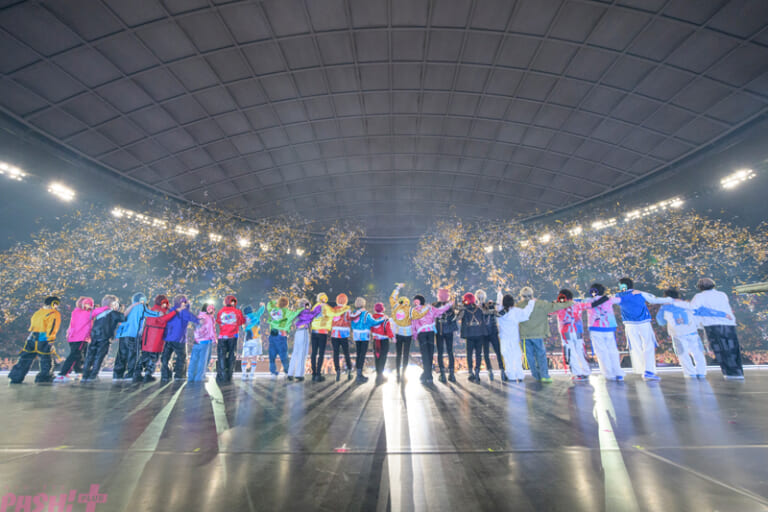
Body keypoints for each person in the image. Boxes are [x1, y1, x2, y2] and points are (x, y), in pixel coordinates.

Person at [614, 278, 673, 381]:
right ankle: (648, 371)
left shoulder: (618, 296)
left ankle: (641, 369)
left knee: (636, 348)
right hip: (644, 323)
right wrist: (671, 300)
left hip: (630, 325)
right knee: (648, 346)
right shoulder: (640, 293)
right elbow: (654, 300)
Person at [691, 277, 743, 379]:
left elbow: (693, 310)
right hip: (729, 324)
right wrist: (722, 314)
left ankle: (729, 373)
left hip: (713, 325)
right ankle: (738, 373)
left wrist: (718, 314)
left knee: (720, 348)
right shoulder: (722, 294)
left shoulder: (699, 297)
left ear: (700, 287)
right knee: (733, 348)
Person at [518, 287, 572, 383]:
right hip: (538, 334)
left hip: (525, 336)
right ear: (532, 294)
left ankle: (536, 375)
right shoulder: (540, 304)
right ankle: (545, 376)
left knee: (529, 356)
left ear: (521, 295)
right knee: (541, 355)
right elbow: (554, 307)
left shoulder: (518, 306)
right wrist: (570, 302)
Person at [9, 296, 62, 384]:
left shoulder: (38, 312)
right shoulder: (54, 313)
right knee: (46, 359)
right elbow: (52, 327)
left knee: (25, 358)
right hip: (44, 339)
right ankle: (44, 378)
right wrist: (51, 339)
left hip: (32, 338)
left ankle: (16, 377)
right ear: (54, 303)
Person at [656, 289, 707, 379]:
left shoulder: (664, 307)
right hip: (692, 332)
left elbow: (661, 322)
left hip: (677, 334)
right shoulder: (686, 304)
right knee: (698, 353)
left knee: (683, 354)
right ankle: (701, 372)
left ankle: (690, 373)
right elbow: (697, 313)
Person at [583, 283, 624, 381]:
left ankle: (609, 374)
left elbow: (581, 304)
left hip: (595, 328)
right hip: (609, 328)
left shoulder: (588, 301)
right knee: (613, 351)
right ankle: (618, 373)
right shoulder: (609, 299)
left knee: (602, 352)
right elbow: (620, 299)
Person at [411, 291, 454, 383]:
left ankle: (427, 374)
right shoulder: (429, 308)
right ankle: (428, 375)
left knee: (424, 353)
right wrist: (449, 305)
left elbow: (413, 323)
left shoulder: (414, 311)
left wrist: (414, 336)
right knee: (430, 353)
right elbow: (440, 311)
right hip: (430, 332)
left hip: (421, 334)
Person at [134, 294, 178, 383]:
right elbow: (163, 320)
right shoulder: (160, 310)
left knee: (144, 356)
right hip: (155, 336)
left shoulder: (153, 309)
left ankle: (137, 374)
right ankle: (148, 374)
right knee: (153, 357)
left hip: (148, 336)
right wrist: (174, 312)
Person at [495, 289, 536, 382]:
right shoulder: (516, 311)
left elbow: (498, 303)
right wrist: (531, 302)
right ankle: (520, 375)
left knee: (507, 358)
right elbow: (526, 312)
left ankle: (511, 376)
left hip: (504, 339)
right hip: (514, 339)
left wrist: (499, 293)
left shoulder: (500, 311)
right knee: (517, 357)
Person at [81, 295, 126, 382]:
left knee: (90, 356)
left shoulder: (98, 313)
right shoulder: (112, 313)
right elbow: (123, 318)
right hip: (104, 338)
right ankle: (93, 376)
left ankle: (85, 375)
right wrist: (121, 309)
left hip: (94, 337)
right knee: (99, 356)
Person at [553, 289, 591, 382]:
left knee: (570, 352)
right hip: (578, 330)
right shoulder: (577, 304)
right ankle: (586, 371)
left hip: (566, 331)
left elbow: (548, 311)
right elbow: (588, 305)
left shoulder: (559, 306)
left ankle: (577, 373)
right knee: (580, 350)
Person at [54, 296, 94, 382]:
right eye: (86, 304)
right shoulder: (87, 313)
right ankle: (62, 374)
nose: (88, 306)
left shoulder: (75, 312)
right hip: (81, 337)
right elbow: (97, 312)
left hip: (74, 337)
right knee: (74, 355)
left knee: (78, 355)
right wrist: (106, 307)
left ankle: (78, 372)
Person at [112, 293, 150, 381]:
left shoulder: (130, 307)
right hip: (133, 335)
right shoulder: (142, 308)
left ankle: (117, 375)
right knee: (133, 355)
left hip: (123, 335)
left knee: (121, 355)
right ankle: (130, 375)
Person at [160, 295, 198, 382]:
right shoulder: (184, 311)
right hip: (179, 338)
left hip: (168, 338)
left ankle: (165, 375)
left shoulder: (171, 310)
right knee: (181, 357)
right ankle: (179, 375)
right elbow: (194, 319)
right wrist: (200, 320)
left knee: (166, 357)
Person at [349, 297, 387, 383]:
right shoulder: (366, 314)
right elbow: (374, 322)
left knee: (358, 354)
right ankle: (359, 376)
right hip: (364, 335)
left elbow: (352, 325)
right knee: (362, 355)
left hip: (356, 335)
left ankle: (358, 374)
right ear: (363, 304)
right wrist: (382, 318)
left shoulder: (354, 313)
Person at [287, 299, 322, 382]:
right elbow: (311, 315)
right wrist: (319, 306)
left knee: (295, 353)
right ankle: (299, 374)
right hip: (303, 332)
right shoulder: (305, 311)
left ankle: (290, 373)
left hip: (298, 332)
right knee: (302, 353)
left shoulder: (298, 311)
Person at [476, 289, 505, 381]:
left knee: (486, 353)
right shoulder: (490, 306)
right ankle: (501, 370)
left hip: (483, 333)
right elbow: (498, 315)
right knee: (497, 351)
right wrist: (506, 309)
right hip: (492, 331)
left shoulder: (476, 308)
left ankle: (490, 370)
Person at [216, 295, 246, 383]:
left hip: (222, 336)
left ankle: (222, 375)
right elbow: (241, 322)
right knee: (231, 355)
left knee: (221, 355)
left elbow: (218, 321)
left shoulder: (221, 311)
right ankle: (229, 375)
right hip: (233, 336)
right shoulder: (237, 311)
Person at [458, 292, 486, 382]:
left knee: (469, 354)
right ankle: (477, 371)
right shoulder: (479, 308)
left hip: (469, 335)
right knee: (478, 354)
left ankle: (471, 372)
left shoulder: (464, 309)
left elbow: (458, 317)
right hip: (479, 334)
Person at [390, 284, 414, 382]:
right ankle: (404, 373)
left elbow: (392, 297)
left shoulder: (396, 306)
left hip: (398, 333)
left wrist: (397, 288)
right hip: (408, 334)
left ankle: (398, 373)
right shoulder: (410, 309)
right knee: (406, 354)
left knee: (398, 354)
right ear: (407, 302)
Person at [434, 288, 458, 383]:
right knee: (450, 351)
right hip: (449, 331)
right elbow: (454, 318)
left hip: (439, 331)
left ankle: (443, 374)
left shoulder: (435, 305)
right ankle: (451, 374)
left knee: (440, 352)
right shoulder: (451, 306)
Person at [189, 303, 216, 382]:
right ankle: (199, 377)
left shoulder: (199, 316)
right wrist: (214, 340)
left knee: (194, 360)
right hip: (206, 341)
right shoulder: (208, 318)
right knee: (203, 361)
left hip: (197, 341)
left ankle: (191, 377)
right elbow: (210, 330)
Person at [329, 293, 353, 382]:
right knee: (346, 352)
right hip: (344, 334)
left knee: (336, 353)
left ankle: (338, 371)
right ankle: (349, 371)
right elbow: (350, 320)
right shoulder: (347, 310)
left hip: (334, 333)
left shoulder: (333, 310)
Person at [310, 293, 333, 382]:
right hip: (322, 332)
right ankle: (318, 374)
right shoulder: (327, 307)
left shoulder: (315, 306)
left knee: (314, 352)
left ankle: (314, 373)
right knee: (321, 353)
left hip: (314, 331)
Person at [370, 302, 394, 385]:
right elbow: (388, 329)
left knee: (377, 357)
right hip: (384, 340)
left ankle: (378, 375)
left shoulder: (372, 317)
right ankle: (380, 375)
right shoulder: (385, 318)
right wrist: (392, 337)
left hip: (375, 340)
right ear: (383, 309)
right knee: (383, 358)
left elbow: (371, 328)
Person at [241, 303, 265, 380]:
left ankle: (244, 374)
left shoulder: (244, 318)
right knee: (254, 357)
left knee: (245, 357)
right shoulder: (256, 314)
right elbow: (262, 310)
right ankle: (251, 374)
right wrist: (262, 305)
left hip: (247, 339)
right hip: (256, 339)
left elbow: (243, 328)